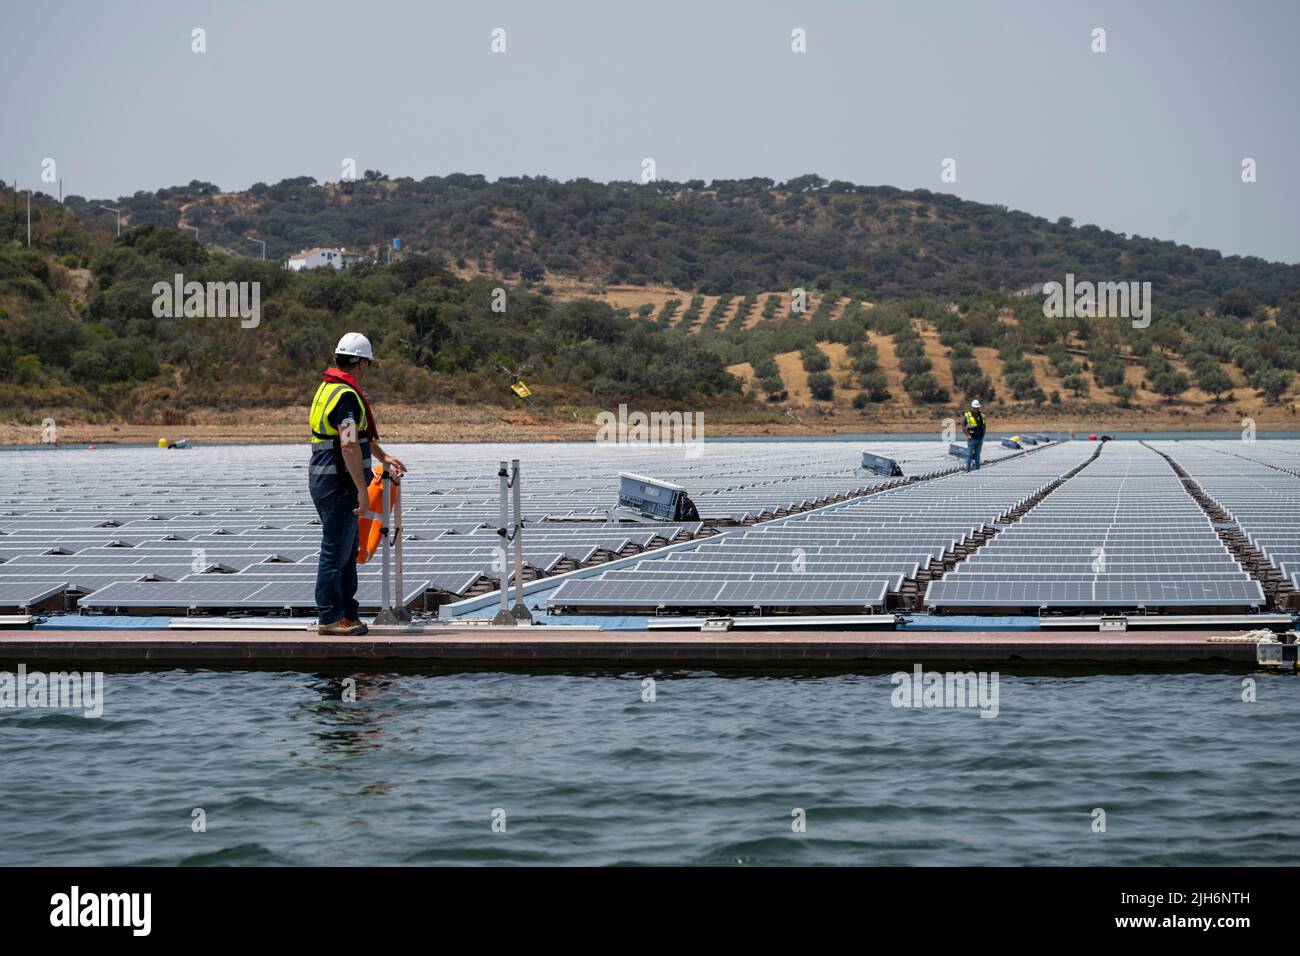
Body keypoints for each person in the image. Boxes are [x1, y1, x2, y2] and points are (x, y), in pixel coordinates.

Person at [308, 333, 406, 636]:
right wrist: (363, 491)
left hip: (327, 481)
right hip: (340, 485)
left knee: (346, 551)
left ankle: (346, 614)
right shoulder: (346, 397)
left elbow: (360, 438)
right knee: (336, 551)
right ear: (361, 363)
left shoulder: (328, 388)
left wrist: (383, 455)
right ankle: (329, 616)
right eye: (368, 364)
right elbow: (349, 445)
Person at [961, 399, 986, 472]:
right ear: (972, 407)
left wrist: (983, 435)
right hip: (971, 439)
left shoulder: (982, 416)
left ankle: (978, 470)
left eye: (977, 408)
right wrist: (968, 435)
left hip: (979, 438)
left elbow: (984, 426)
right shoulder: (967, 416)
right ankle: (968, 470)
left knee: (977, 455)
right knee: (969, 454)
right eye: (975, 408)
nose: (976, 409)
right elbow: (963, 427)